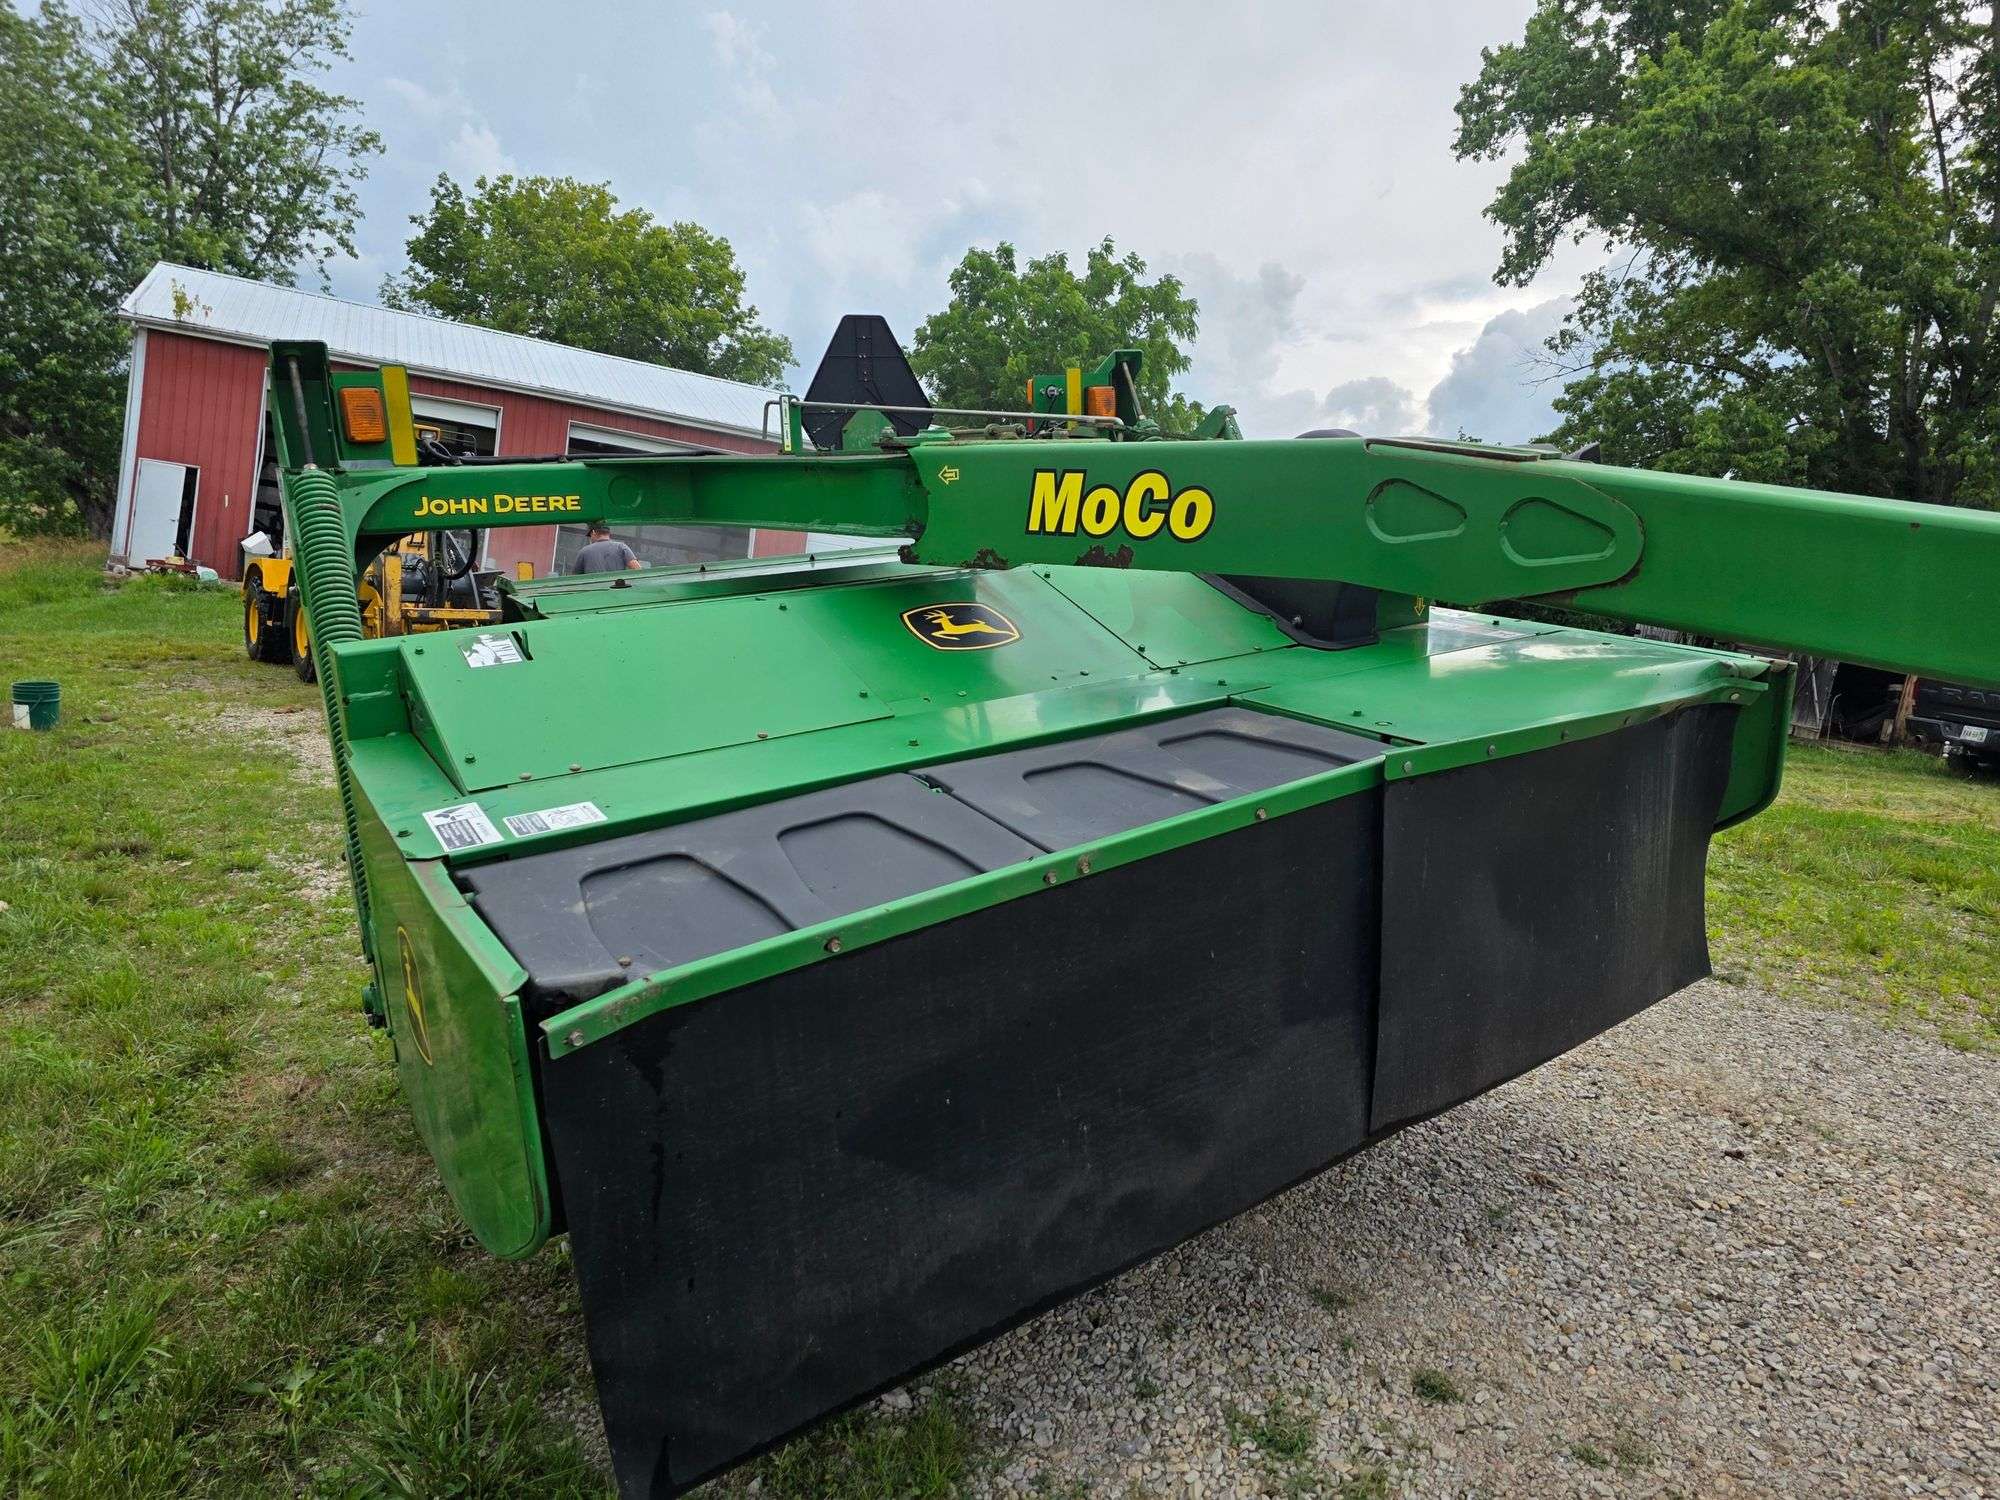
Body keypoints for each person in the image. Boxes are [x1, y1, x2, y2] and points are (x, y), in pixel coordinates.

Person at [570, 522, 642, 574]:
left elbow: (574, 579)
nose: (590, 538)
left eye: (590, 535)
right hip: (617, 591)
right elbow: (637, 569)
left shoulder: (584, 551)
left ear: (593, 532)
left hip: (593, 593)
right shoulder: (621, 547)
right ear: (608, 533)